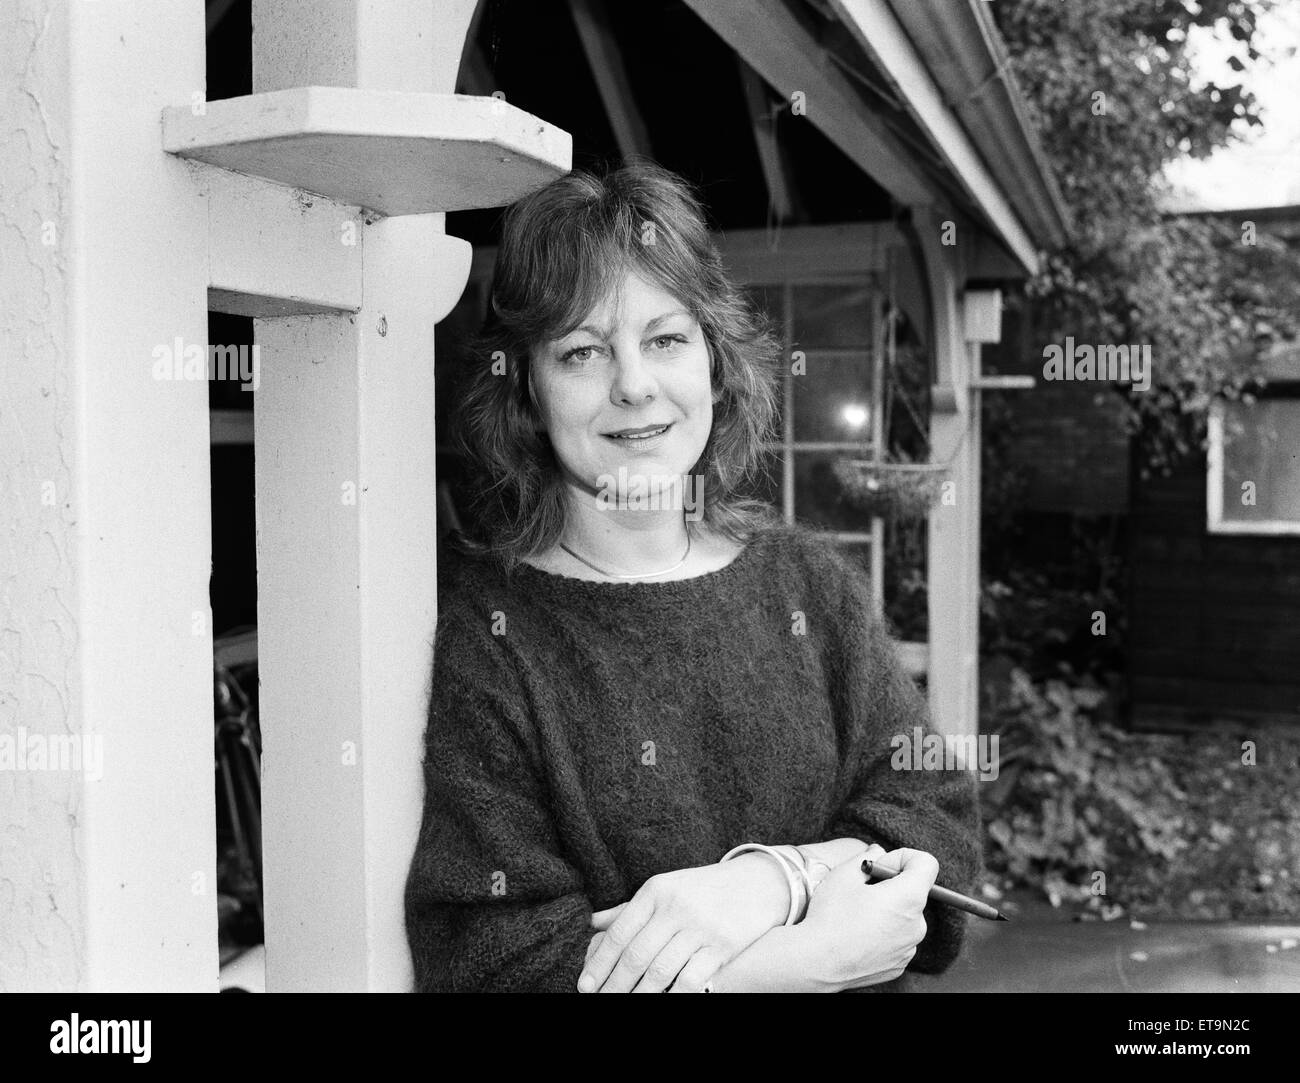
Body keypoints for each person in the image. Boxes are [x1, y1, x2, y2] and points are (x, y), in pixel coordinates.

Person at [404, 161, 981, 993]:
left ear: (715, 360)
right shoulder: (488, 635)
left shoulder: (810, 587)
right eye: (581, 351)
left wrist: (770, 880)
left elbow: (935, 815)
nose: (634, 385)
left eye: (665, 338)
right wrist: (800, 965)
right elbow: (494, 961)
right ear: (527, 388)